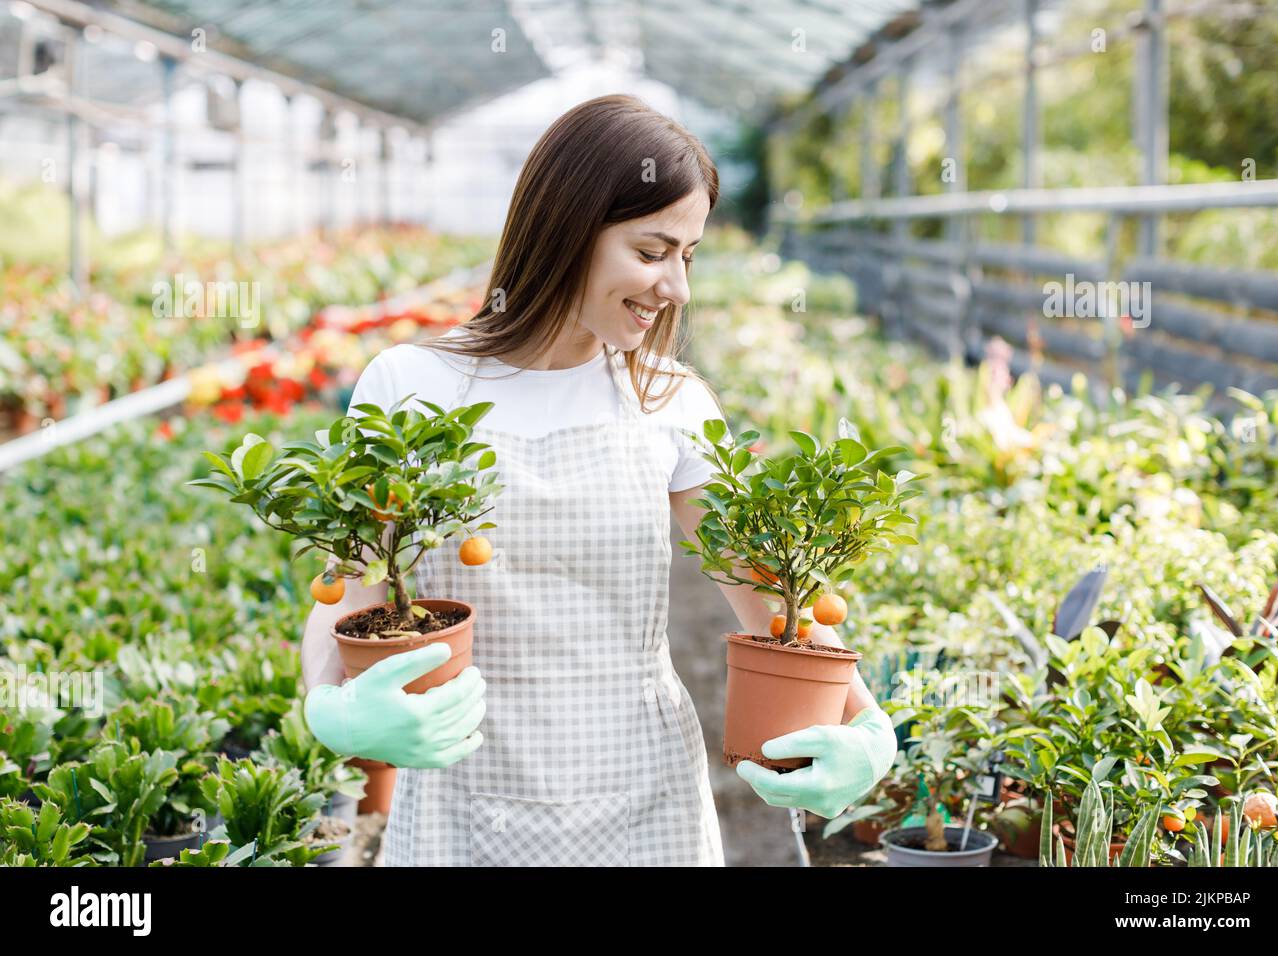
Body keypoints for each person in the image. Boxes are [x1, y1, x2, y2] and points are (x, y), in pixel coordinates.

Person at [300, 94, 897, 866]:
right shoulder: (410, 386)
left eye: (688, 256)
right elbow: (348, 592)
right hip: (464, 798)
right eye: (652, 252)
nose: (676, 287)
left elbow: (770, 597)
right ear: (566, 228)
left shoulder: (672, 401)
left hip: (645, 803)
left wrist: (869, 725)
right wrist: (331, 707)